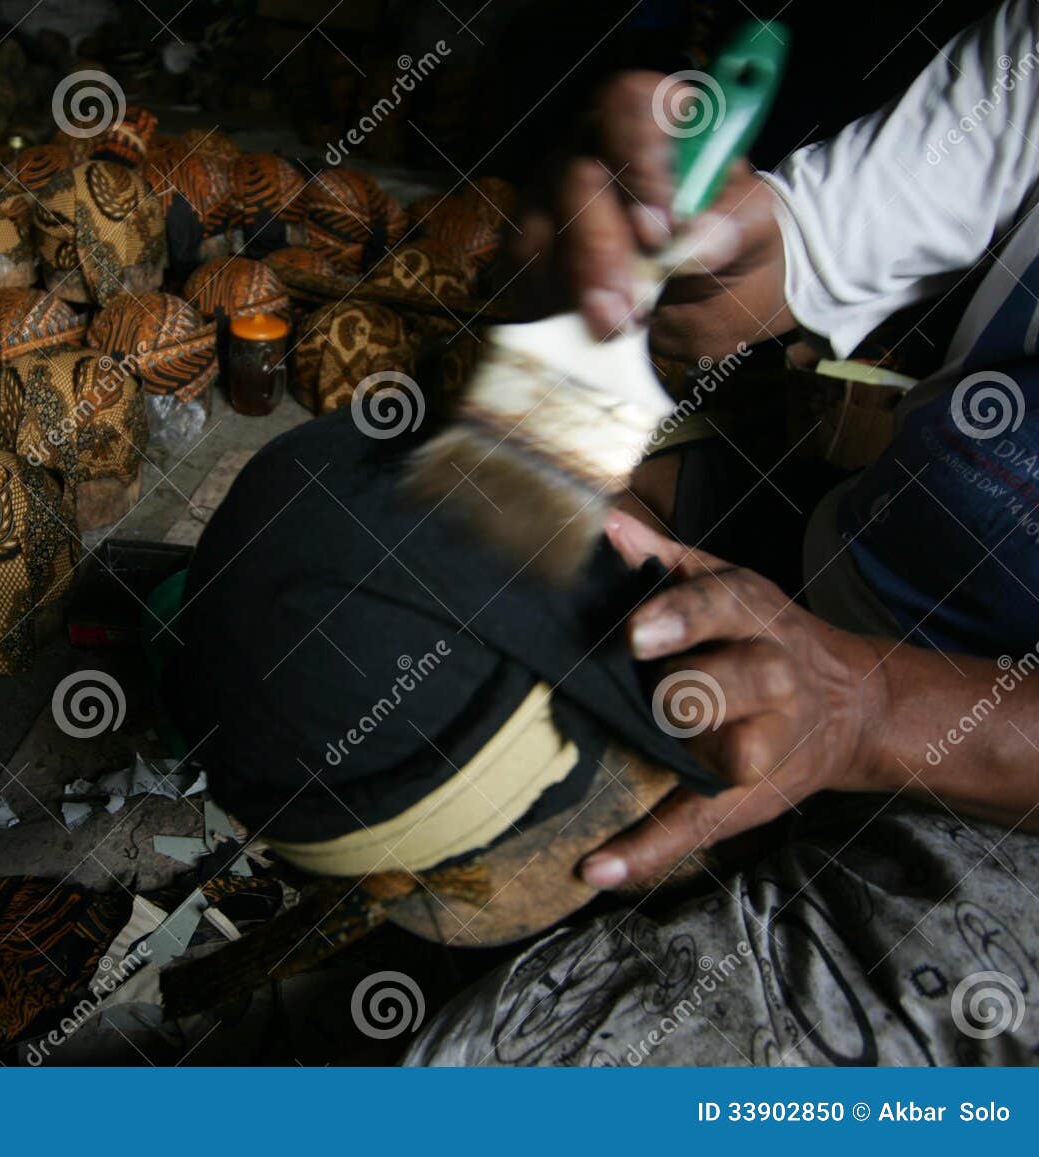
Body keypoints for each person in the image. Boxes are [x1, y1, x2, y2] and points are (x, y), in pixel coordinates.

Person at [404, 0, 1039, 1065]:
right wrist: (691, 248)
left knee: (495, 1080)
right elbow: (802, 246)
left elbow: (864, 703)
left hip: (1004, 777)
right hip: (870, 558)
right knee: (469, 552)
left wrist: (866, 704)